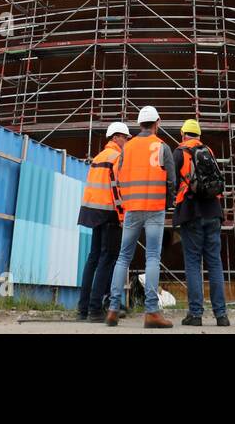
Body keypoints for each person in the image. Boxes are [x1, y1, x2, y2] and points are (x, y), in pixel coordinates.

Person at [106, 105, 176, 329]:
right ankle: (152, 311)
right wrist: (168, 202)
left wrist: (127, 200)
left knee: (123, 257)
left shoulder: (127, 147)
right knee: (152, 257)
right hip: (155, 207)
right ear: (157, 123)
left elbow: (118, 177)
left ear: (139, 124)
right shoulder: (162, 146)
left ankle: (113, 309)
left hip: (132, 208)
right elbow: (172, 181)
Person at [173, 118, 229, 327]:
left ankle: (195, 315)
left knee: (193, 263)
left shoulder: (180, 152)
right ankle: (221, 315)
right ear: (198, 135)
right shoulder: (209, 151)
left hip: (191, 212)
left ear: (183, 134)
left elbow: (171, 180)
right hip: (213, 211)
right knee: (215, 263)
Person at [76, 121, 129, 321]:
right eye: (124, 138)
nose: (126, 141)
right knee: (107, 259)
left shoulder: (98, 157)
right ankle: (95, 309)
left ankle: (83, 309)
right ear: (116, 137)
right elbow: (118, 189)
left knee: (94, 258)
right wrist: (123, 215)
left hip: (93, 212)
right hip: (110, 213)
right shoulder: (117, 157)